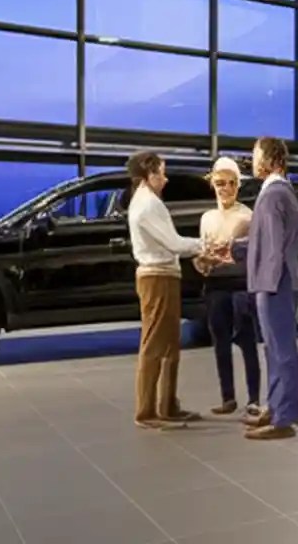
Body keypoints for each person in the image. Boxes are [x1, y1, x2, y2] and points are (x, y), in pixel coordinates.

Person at [220, 137, 298, 441]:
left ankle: (284, 418)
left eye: (256, 155)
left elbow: (273, 248)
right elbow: (266, 240)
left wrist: (263, 285)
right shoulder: (276, 192)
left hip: (275, 282)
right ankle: (276, 407)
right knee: (274, 350)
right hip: (276, 281)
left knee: (281, 351)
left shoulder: (273, 195)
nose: (252, 160)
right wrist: (234, 248)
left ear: (272, 160)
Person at [125, 150, 206, 430]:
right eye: (161, 172)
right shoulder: (146, 205)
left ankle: (168, 406)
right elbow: (172, 243)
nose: (166, 178)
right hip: (156, 277)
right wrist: (204, 244)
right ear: (148, 175)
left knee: (170, 343)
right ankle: (146, 411)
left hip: (166, 276)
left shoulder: (149, 202)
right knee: (154, 343)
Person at [194, 157, 261, 418]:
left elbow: (253, 253)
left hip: (240, 284)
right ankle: (228, 397)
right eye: (220, 183)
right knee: (220, 341)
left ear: (238, 185)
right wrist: (202, 263)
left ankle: (254, 398)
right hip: (215, 285)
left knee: (246, 341)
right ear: (213, 185)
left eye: (230, 183)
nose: (225, 189)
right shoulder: (207, 218)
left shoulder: (247, 216)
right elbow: (202, 252)